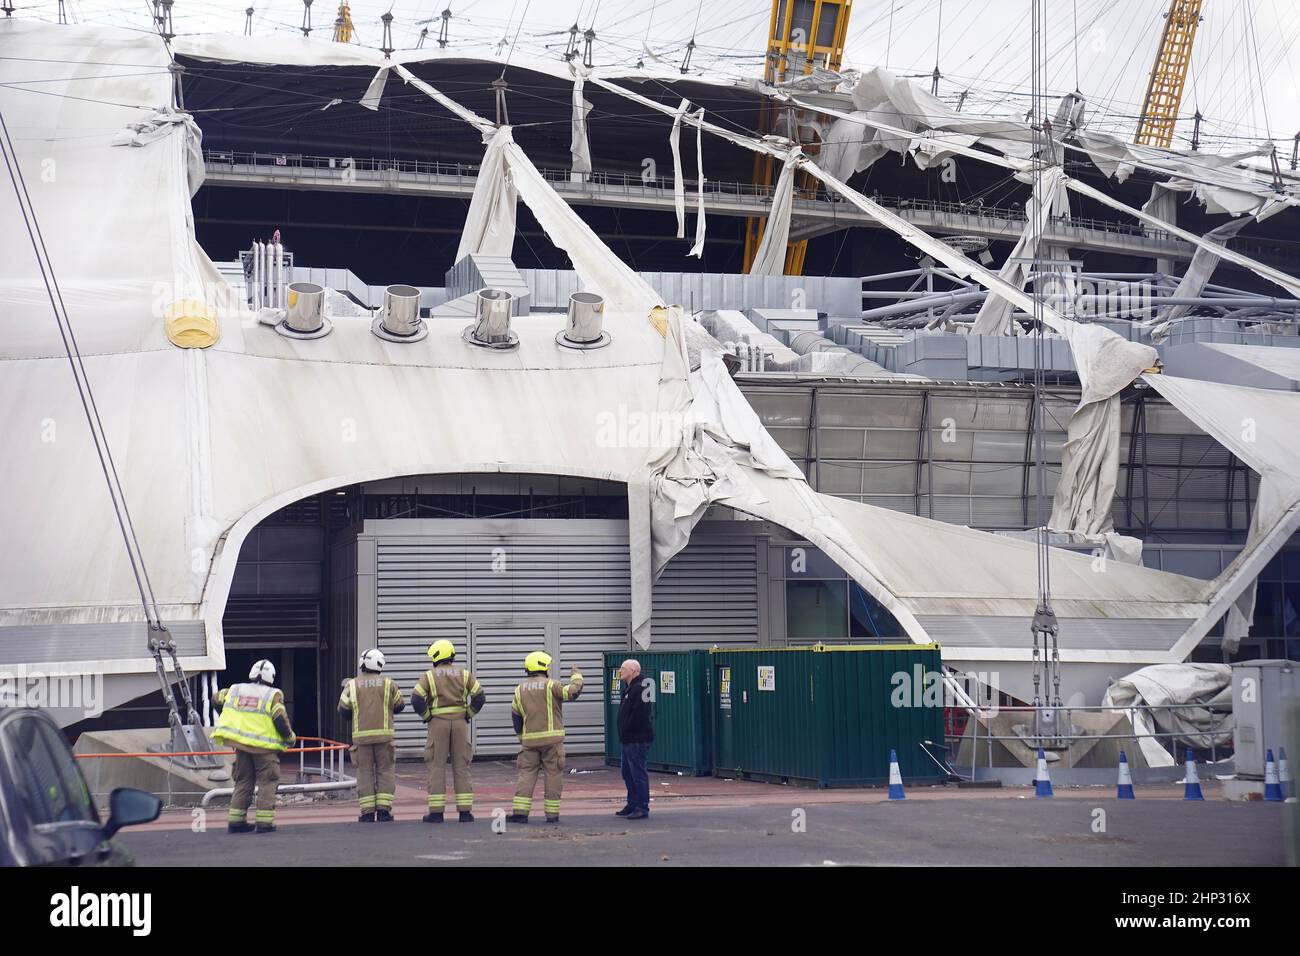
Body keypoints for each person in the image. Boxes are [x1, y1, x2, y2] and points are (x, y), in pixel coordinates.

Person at [212, 659, 296, 833]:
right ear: (271, 677)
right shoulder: (273, 695)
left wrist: (228, 714)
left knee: (243, 781)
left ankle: (236, 822)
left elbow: (215, 698)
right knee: (268, 781)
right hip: (264, 748)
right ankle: (264, 823)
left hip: (242, 746)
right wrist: (289, 738)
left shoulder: (235, 689)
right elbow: (280, 719)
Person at [412, 639, 485, 822]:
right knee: (462, 766)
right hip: (460, 723)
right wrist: (468, 713)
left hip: (438, 724)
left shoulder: (429, 676)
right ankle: (465, 812)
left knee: (437, 766)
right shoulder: (465, 674)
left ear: (435, 656)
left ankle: (436, 813)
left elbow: (416, 699)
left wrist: (427, 716)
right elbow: (479, 697)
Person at [507, 651, 583, 824]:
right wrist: (577, 677)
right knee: (553, 774)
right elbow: (571, 693)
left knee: (526, 774)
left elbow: (515, 716)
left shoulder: (519, 690)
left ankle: (520, 813)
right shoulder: (551, 685)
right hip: (552, 741)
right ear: (542, 666)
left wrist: (521, 737)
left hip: (529, 741)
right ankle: (552, 815)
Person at [338, 648, 404, 822]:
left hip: (361, 738)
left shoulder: (351, 684)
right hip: (385, 737)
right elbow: (399, 706)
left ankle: (367, 813)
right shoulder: (388, 683)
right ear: (380, 664)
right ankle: (383, 811)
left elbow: (343, 710)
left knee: (364, 772)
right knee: (386, 771)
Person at [615, 659, 654, 820]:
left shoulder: (641, 688)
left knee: (637, 773)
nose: (620, 671)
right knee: (627, 773)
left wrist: (628, 728)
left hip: (637, 738)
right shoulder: (629, 688)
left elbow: (640, 715)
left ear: (633, 671)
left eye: (623, 668)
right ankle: (632, 802)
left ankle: (641, 806)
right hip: (627, 739)